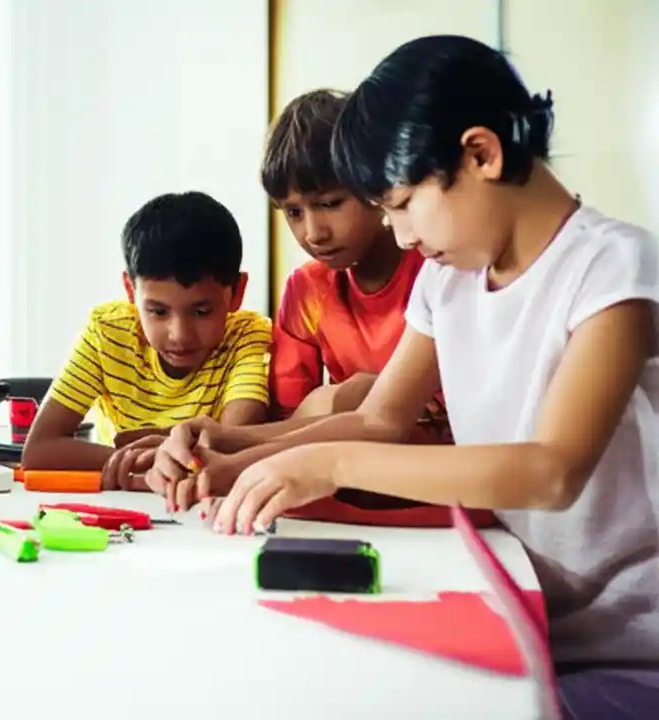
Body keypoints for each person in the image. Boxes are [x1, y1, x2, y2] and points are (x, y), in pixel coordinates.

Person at [191, 36, 659, 716]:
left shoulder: (614, 266)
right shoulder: (449, 280)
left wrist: (329, 462)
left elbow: (551, 472)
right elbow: (382, 417)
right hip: (519, 619)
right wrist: (233, 457)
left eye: (404, 202)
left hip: (633, 656)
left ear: (480, 154)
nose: (403, 236)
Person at [147, 88, 450, 512]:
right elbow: (290, 423)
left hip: (436, 480)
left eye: (329, 203)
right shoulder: (307, 289)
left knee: (351, 394)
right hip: (338, 472)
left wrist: (242, 458)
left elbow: (396, 421)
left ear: (374, 184)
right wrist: (223, 443)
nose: (313, 232)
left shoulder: (436, 271)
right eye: (292, 212)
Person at [21, 191, 271, 493]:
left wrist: (152, 451)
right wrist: (154, 458)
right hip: (127, 505)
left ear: (237, 292)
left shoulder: (248, 335)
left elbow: (234, 446)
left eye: (202, 311)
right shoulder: (107, 331)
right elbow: (39, 451)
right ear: (130, 290)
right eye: (157, 311)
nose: (179, 334)